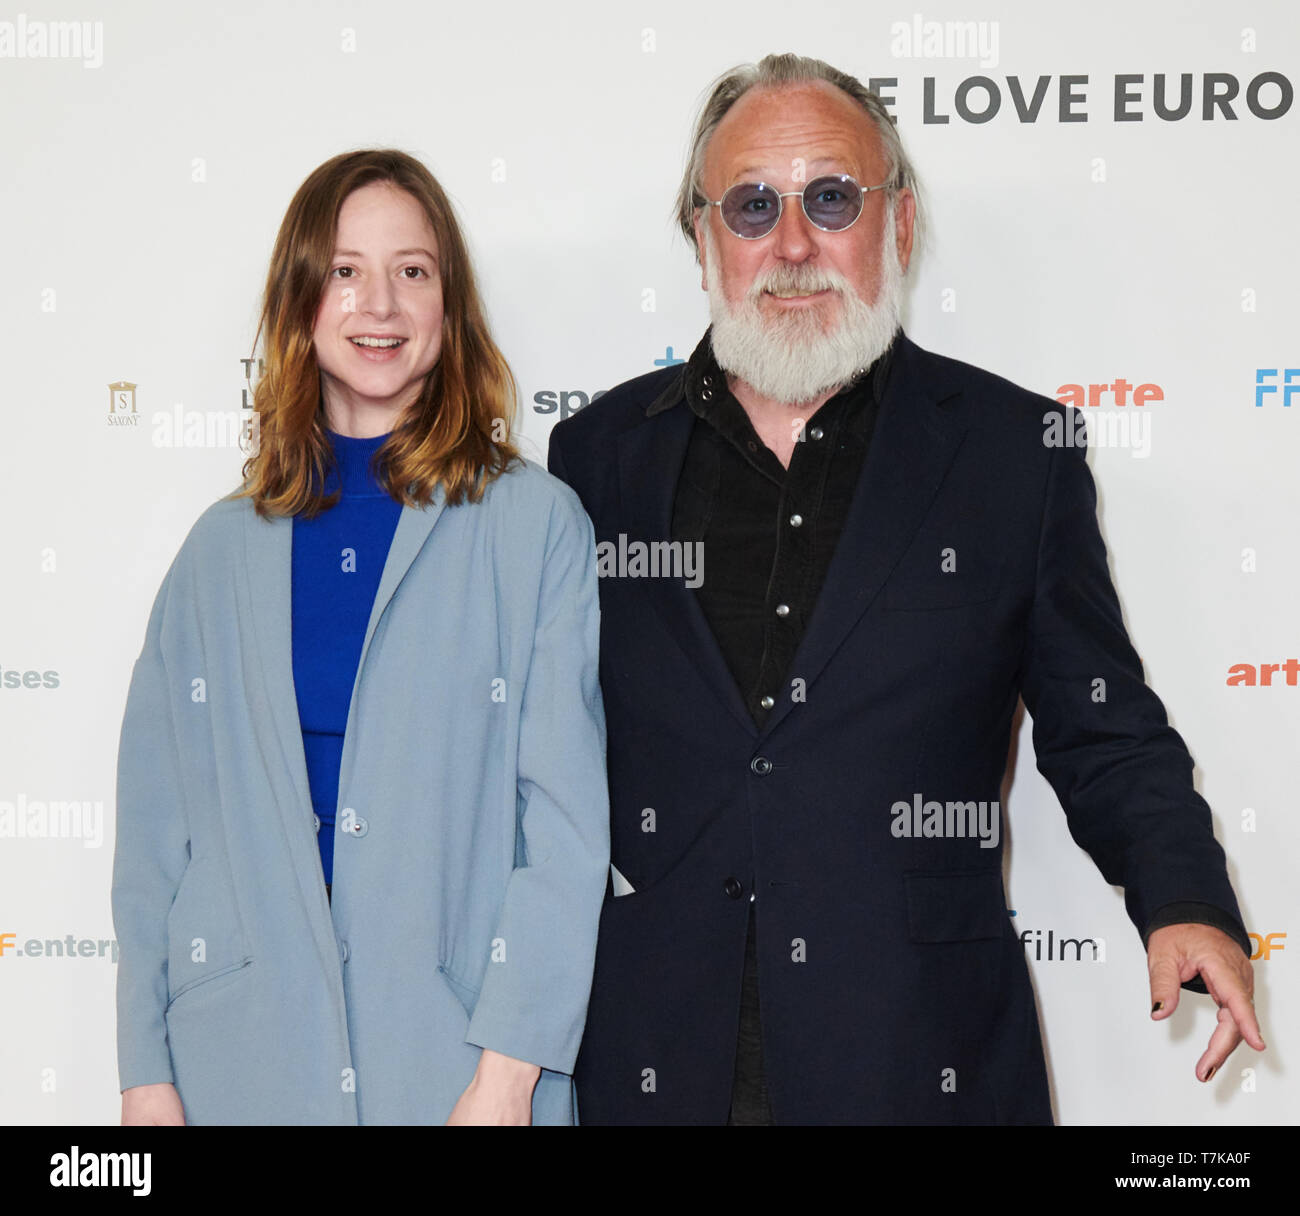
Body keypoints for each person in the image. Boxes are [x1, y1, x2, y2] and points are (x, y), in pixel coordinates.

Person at [547, 53, 1265, 1124]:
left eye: (829, 198)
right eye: (752, 206)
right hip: (656, 1057)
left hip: (920, 1054)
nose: (792, 244)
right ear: (701, 239)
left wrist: (1185, 901)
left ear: (900, 222)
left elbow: (1101, 726)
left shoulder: (1011, 454)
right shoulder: (597, 456)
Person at [112, 149, 609, 1125]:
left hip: (461, 1061)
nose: (377, 302)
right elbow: (151, 845)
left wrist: (506, 1078)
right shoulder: (217, 552)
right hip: (237, 1066)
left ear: (448, 302)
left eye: (411, 270)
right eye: (344, 270)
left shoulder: (532, 525)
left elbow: (561, 831)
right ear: (301, 299)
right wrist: (144, 1073)